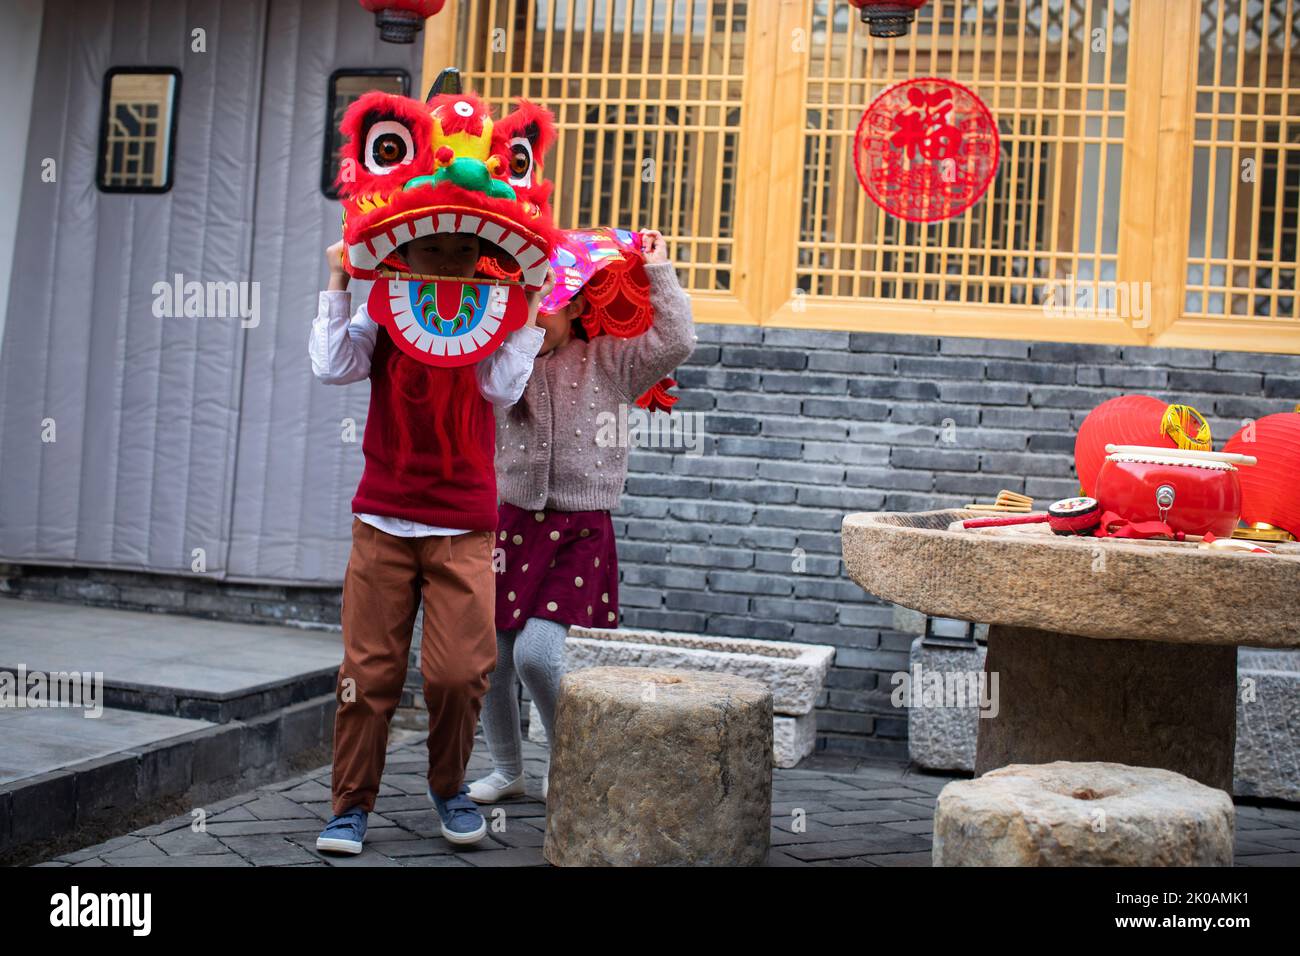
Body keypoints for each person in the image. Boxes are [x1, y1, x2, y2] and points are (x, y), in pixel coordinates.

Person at [309, 232, 549, 852]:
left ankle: (449, 788)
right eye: (431, 249)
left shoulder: (491, 312)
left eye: (463, 252)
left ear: (480, 257)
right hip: (383, 519)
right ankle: (350, 805)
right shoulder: (385, 306)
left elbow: (502, 390)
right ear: (403, 254)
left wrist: (527, 307)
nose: (447, 263)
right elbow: (333, 366)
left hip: (464, 524)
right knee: (366, 675)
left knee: (460, 673)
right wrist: (338, 278)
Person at [470, 228, 695, 802]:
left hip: (579, 528)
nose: (531, 319)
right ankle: (507, 769)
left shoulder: (610, 362)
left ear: (570, 303)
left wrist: (659, 272)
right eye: (522, 306)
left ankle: (566, 758)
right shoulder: (506, 364)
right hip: (513, 523)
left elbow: (677, 341)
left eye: (542, 307)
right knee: (491, 657)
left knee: (537, 656)